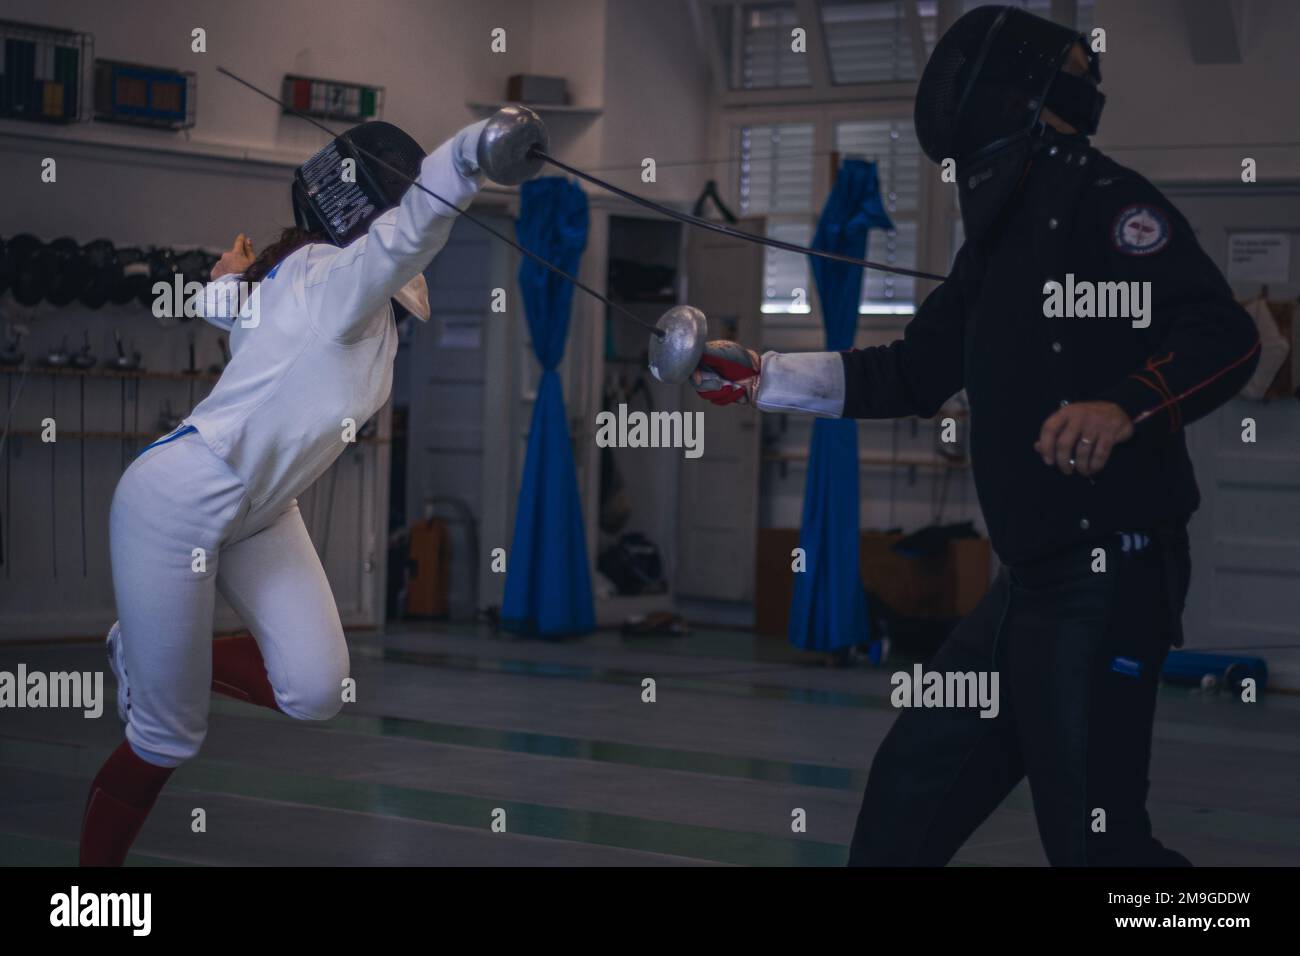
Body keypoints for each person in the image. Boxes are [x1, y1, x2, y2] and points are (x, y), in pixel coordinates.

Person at [691, 6, 1260, 866]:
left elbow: (1226, 335)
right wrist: (765, 375)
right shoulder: (996, 241)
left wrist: (1123, 406)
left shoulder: (1112, 203)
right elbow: (912, 371)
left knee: (1098, 847)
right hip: (1027, 583)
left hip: (1109, 577)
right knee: (906, 802)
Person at [79, 117, 489, 866]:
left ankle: (152, 651)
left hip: (263, 513)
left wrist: (226, 278)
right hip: (177, 501)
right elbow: (407, 237)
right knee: (168, 736)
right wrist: (471, 153)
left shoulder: (296, 283)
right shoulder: (333, 283)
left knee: (317, 689)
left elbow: (228, 305)